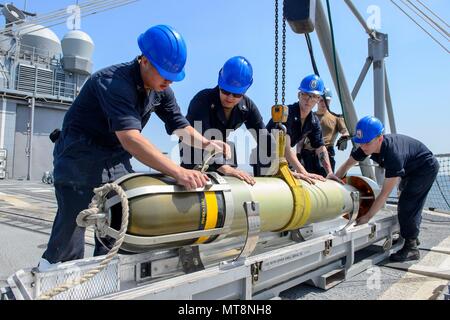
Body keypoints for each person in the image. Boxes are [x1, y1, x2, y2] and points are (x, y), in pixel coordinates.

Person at [38, 25, 230, 270]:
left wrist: (206, 142)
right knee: (72, 226)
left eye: (173, 75)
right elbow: (131, 139)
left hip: (115, 157)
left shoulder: (161, 89)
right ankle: (49, 278)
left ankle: (102, 277)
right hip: (79, 155)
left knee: (116, 223)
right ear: (145, 60)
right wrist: (179, 172)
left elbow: (178, 124)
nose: (169, 80)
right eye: (164, 73)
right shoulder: (113, 82)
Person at [333, 116, 440, 262]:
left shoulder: (392, 154)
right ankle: (410, 236)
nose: (363, 147)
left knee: (407, 204)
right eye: (360, 143)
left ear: (379, 138)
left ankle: (411, 247)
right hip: (409, 168)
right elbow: (347, 164)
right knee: (408, 204)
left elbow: (384, 194)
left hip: (424, 169)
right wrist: (333, 180)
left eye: (367, 143)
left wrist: (367, 217)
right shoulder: (366, 145)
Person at [180, 56, 266, 186]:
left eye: (237, 94)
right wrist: (224, 167)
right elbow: (205, 136)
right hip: (195, 151)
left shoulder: (247, 106)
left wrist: (280, 164)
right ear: (219, 83)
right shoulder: (203, 100)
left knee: (227, 145)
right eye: (225, 91)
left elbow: (264, 138)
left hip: (220, 152)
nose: (230, 98)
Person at [266, 74, 341, 184]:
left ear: (318, 99)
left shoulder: (313, 121)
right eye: (305, 94)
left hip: (282, 161)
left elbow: (320, 147)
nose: (308, 99)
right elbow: (286, 148)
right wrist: (304, 172)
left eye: (313, 96)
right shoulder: (287, 114)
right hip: (265, 159)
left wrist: (329, 172)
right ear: (299, 95)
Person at [298, 87, 350, 177]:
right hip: (307, 155)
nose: (324, 103)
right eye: (322, 100)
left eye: (327, 101)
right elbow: (301, 139)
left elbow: (345, 132)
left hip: (326, 155)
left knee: (325, 181)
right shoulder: (309, 117)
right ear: (317, 100)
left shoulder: (336, 118)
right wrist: (298, 155)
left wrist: (344, 138)